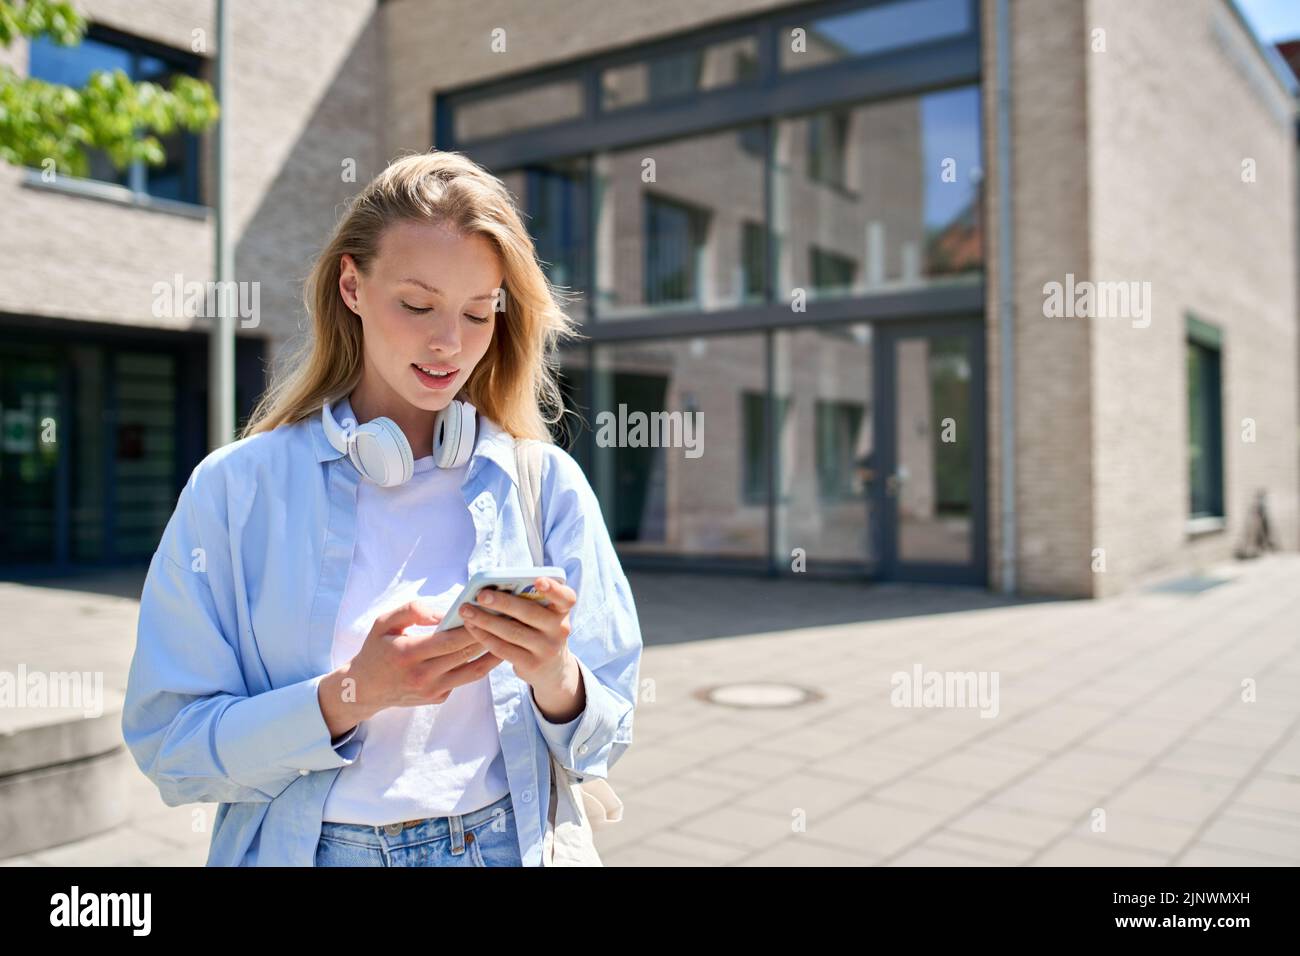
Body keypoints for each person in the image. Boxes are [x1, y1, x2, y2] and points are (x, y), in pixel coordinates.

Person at [121, 150, 643, 867]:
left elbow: (608, 733)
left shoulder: (543, 483)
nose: (448, 344)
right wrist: (352, 694)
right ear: (352, 285)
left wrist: (554, 676)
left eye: (477, 313)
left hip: (503, 846)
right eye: (418, 305)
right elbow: (171, 750)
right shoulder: (236, 490)